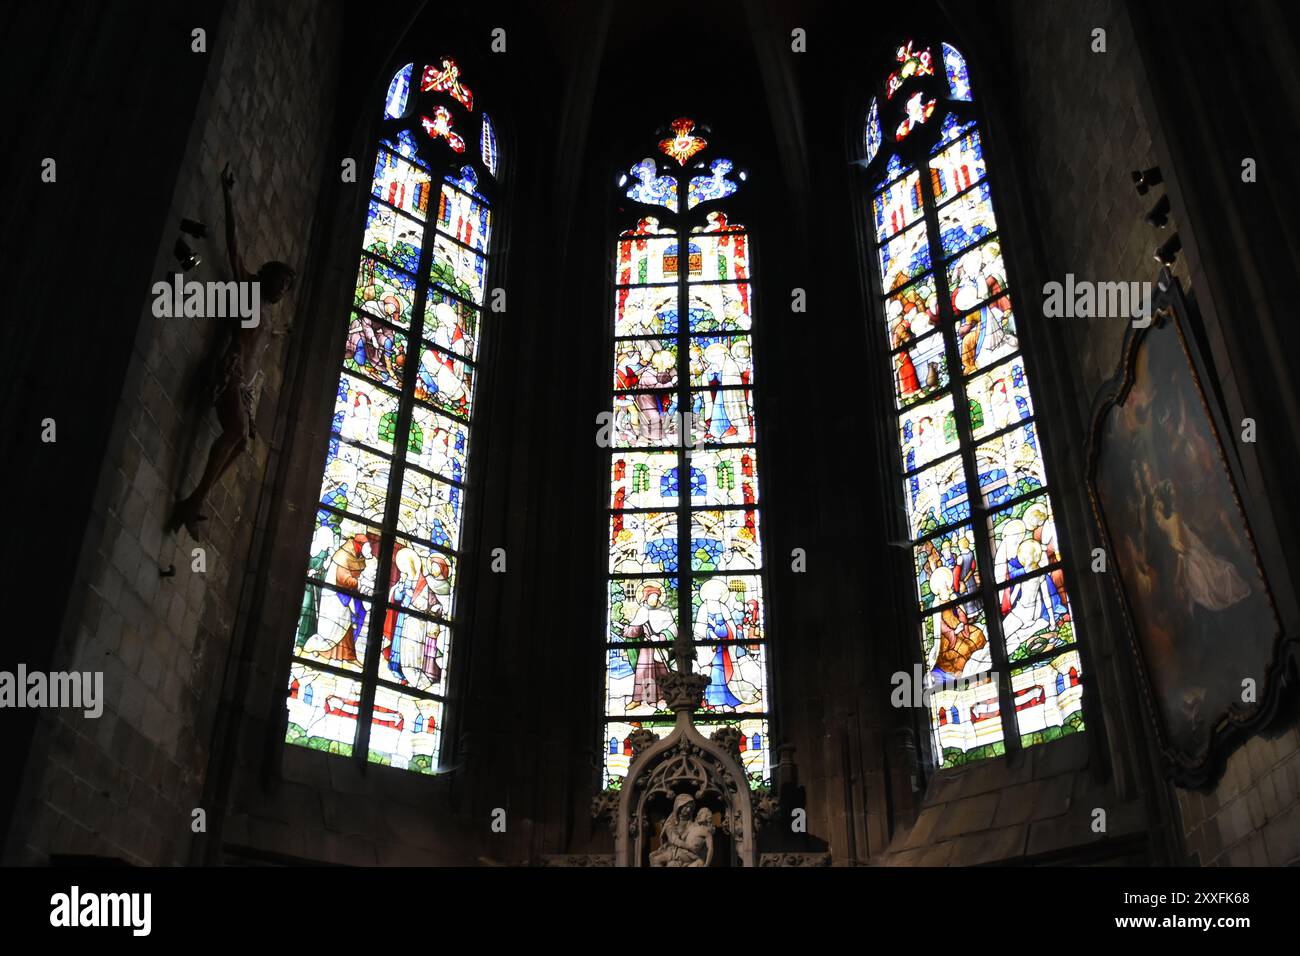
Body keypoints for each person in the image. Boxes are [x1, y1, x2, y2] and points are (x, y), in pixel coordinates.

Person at [171, 163, 295, 539]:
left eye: (287, 289)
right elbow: (232, 241)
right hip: (229, 369)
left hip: (244, 384)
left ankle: (197, 499)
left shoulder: (266, 315)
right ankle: (194, 501)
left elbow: (265, 338)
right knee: (237, 433)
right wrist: (228, 194)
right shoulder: (247, 290)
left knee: (242, 442)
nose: (281, 292)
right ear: (267, 276)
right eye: (281, 283)